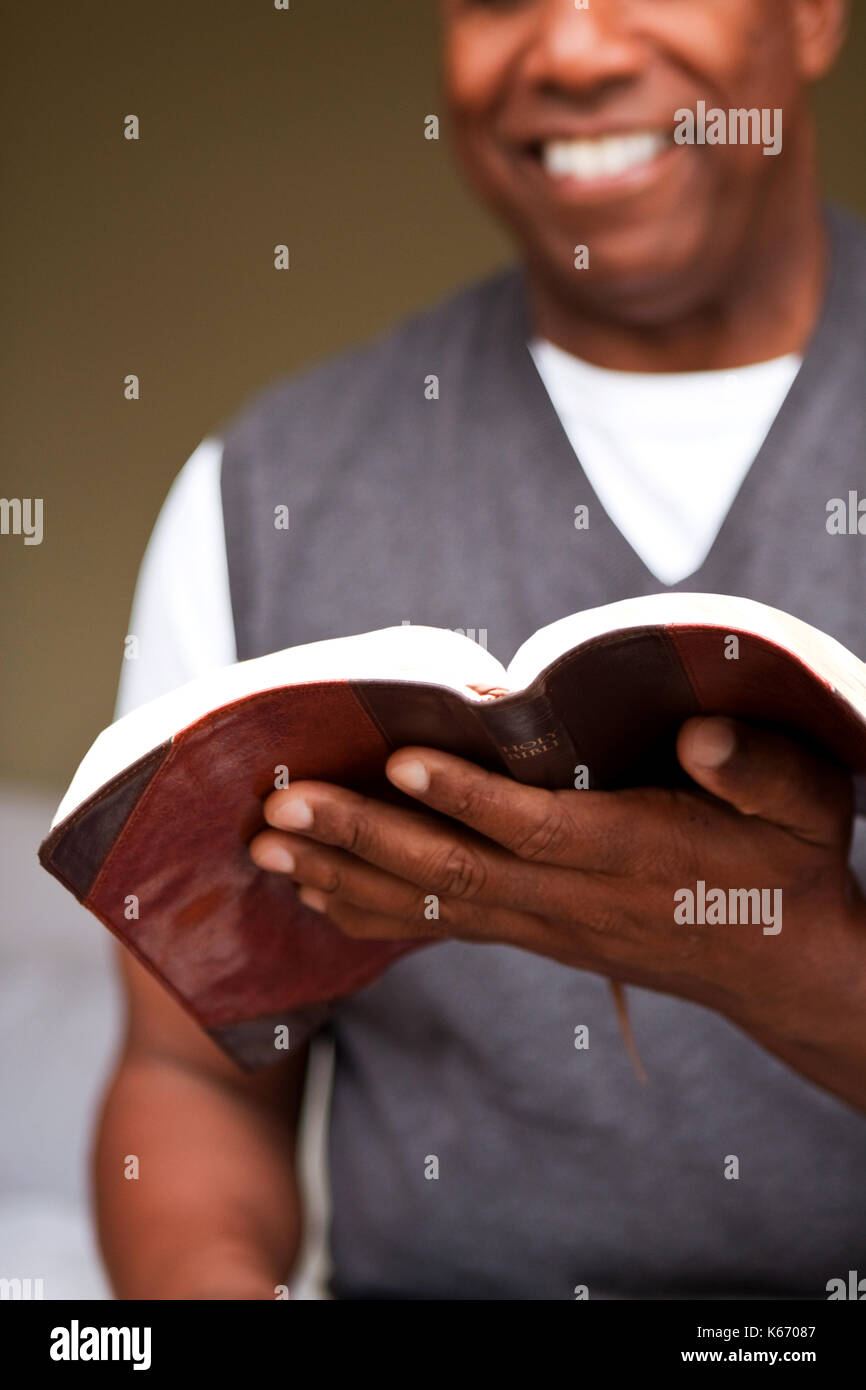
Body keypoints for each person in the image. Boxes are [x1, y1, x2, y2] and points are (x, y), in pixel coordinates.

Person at [95, 0, 866, 1300]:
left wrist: (792, 972)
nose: (570, 50)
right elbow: (189, 1074)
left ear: (809, 18)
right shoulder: (264, 495)